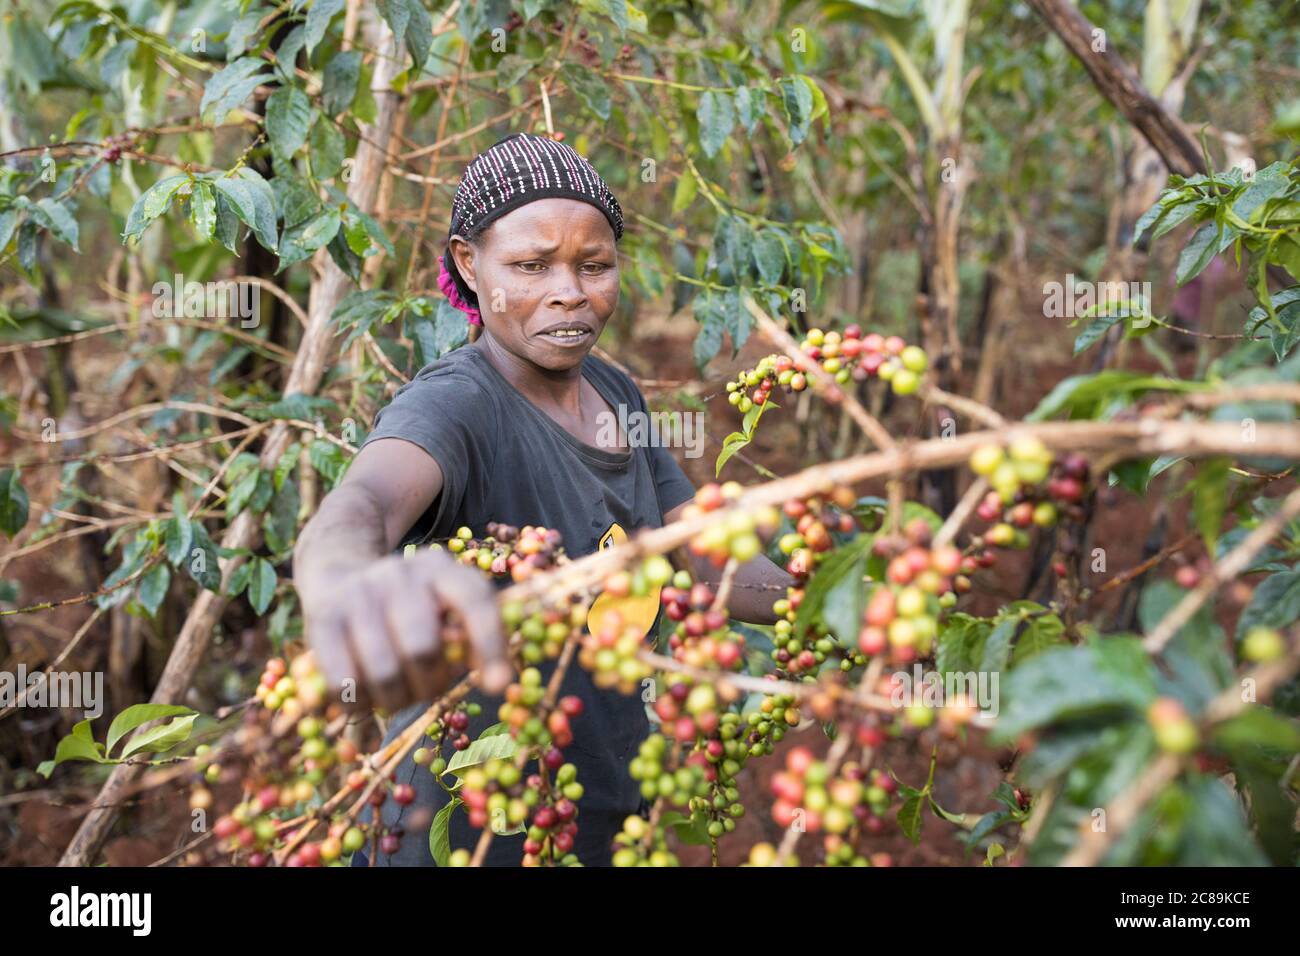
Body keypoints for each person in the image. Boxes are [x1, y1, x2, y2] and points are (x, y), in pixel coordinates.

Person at [293, 132, 793, 866]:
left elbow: (694, 555)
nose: (570, 292)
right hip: (476, 831)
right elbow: (362, 503)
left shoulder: (613, 389)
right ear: (470, 263)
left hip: (605, 803)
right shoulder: (457, 404)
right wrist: (343, 583)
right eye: (531, 266)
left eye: (595, 266)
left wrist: (823, 600)